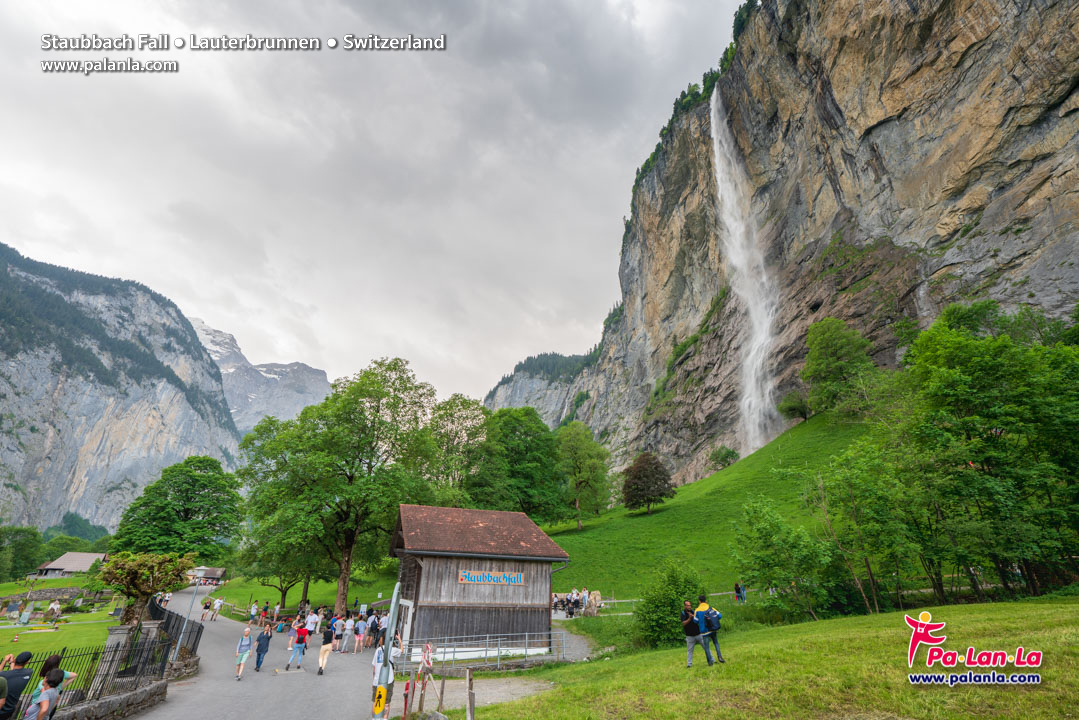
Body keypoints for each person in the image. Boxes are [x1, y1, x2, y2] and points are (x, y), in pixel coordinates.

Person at [371, 633, 402, 711]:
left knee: (375, 702)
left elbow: (374, 667)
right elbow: (402, 650)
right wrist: (399, 639)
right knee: (386, 704)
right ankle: (384, 717)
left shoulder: (378, 650)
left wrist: (373, 680)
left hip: (377, 680)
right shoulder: (391, 650)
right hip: (388, 680)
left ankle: (374, 716)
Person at [0, 652, 34, 720]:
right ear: (27, 662)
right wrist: (12, 663)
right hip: (10, 709)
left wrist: (5, 661)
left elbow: (11, 673)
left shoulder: (4, 675)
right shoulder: (29, 672)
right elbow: (14, 673)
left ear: (15, 660)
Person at [681, 600, 713, 668]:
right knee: (690, 651)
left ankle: (712, 659)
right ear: (685, 606)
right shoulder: (683, 613)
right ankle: (689, 664)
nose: (689, 607)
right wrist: (689, 618)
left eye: (690, 605)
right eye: (688, 605)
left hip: (698, 634)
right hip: (689, 636)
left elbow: (698, 620)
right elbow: (683, 623)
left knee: (706, 647)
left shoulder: (694, 611)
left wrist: (694, 617)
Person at [695, 595, 725, 663]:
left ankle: (710, 662)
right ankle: (720, 657)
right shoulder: (711, 608)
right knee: (716, 643)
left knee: (707, 647)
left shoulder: (697, 610)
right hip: (713, 629)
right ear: (706, 601)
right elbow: (719, 616)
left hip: (704, 631)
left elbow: (695, 621)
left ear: (699, 601)